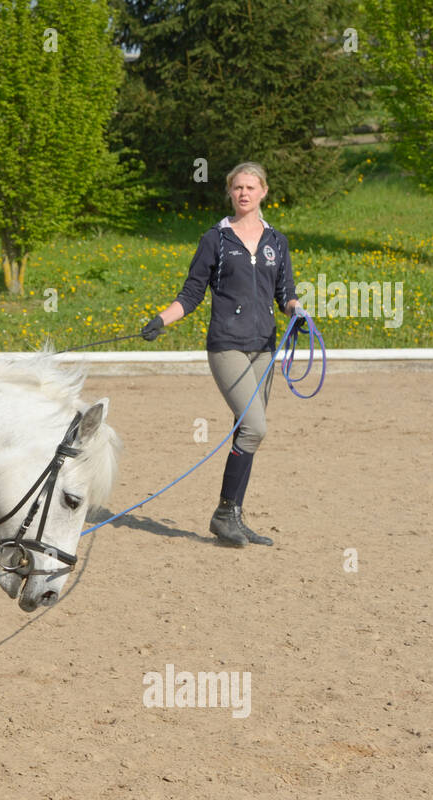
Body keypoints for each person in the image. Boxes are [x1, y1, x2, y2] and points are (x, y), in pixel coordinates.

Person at [140, 161, 313, 547]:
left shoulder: (277, 242)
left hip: (264, 348)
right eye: (238, 188)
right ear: (230, 193)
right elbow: (191, 294)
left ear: (264, 191)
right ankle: (224, 514)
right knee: (255, 428)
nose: (244, 193)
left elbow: (285, 293)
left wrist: (297, 312)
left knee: (244, 431)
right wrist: (161, 320)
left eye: (251, 187)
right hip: (227, 346)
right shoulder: (215, 239)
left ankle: (232, 514)